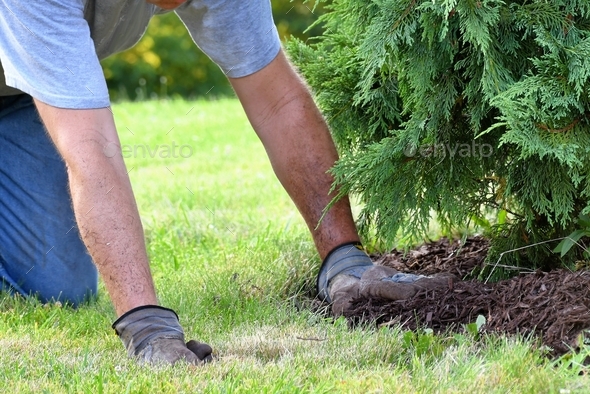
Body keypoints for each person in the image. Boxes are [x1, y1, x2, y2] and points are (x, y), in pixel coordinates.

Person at [0, 0, 452, 365]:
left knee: (56, 285)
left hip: (18, 94)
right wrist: (145, 324)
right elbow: (91, 149)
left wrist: (344, 260)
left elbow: (278, 101)